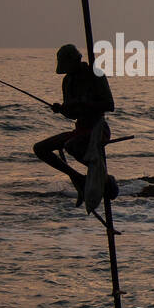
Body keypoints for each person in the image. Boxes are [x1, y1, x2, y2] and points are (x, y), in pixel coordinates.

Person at [33, 44, 117, 206]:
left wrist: (83, 103)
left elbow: (109, 104)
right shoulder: (68, 81)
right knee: (40, 148)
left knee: (71, 145)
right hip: (80, 129)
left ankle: (102, 177)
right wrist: (62, 109)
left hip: (97, 129)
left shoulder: (95, 74)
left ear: (76, 61)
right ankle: (79, 179)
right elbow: (73, 115)